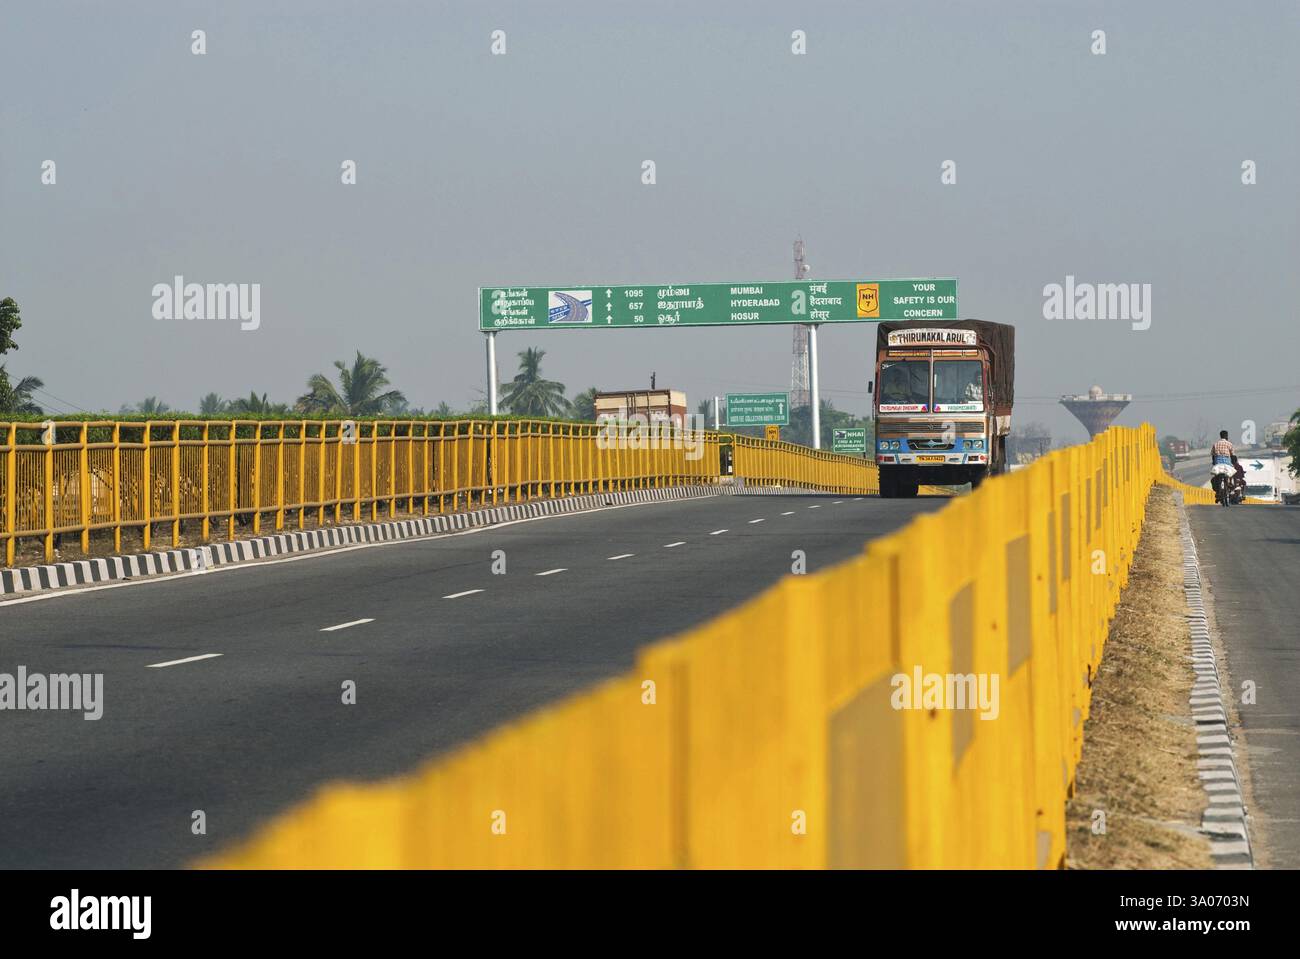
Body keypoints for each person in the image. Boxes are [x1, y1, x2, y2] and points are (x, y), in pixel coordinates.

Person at [1209, 430, 1236, 504]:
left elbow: (1213, 455)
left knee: (1216, 476)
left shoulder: (1215, 444)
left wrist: (1214, 462)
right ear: (1226, 436)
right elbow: (1233, 455)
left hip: (1218, 462)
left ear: (1220, 436)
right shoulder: (1229, 444)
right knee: (1231, 474)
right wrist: (1233, 463)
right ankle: (1230, 485)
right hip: (1227, 463)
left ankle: (1218, 492)